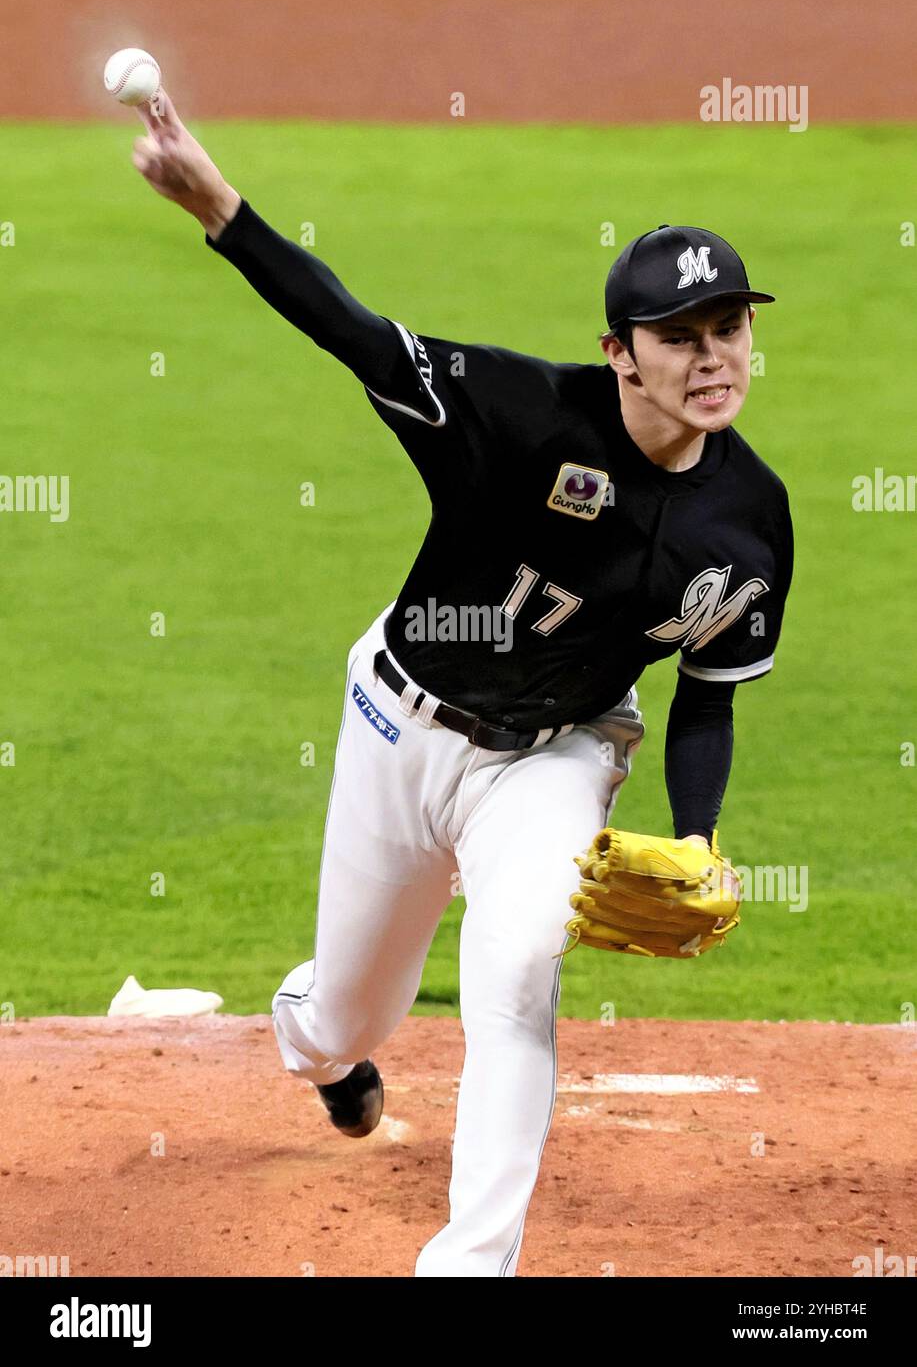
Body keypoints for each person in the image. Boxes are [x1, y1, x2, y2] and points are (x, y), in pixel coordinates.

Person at [129, 94, 793, 1278]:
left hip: (557, 752)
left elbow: (710, 693)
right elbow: (357, 334)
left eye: (729, 327)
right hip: (401, 719)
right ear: (618, 351)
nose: (713, 358)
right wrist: (218, 209)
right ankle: (324, 1045)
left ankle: (468, 1264)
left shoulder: (750, 522)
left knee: (516, 962)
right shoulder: (520, 412)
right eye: (682, 334)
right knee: (345, 1016)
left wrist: (694, 836)